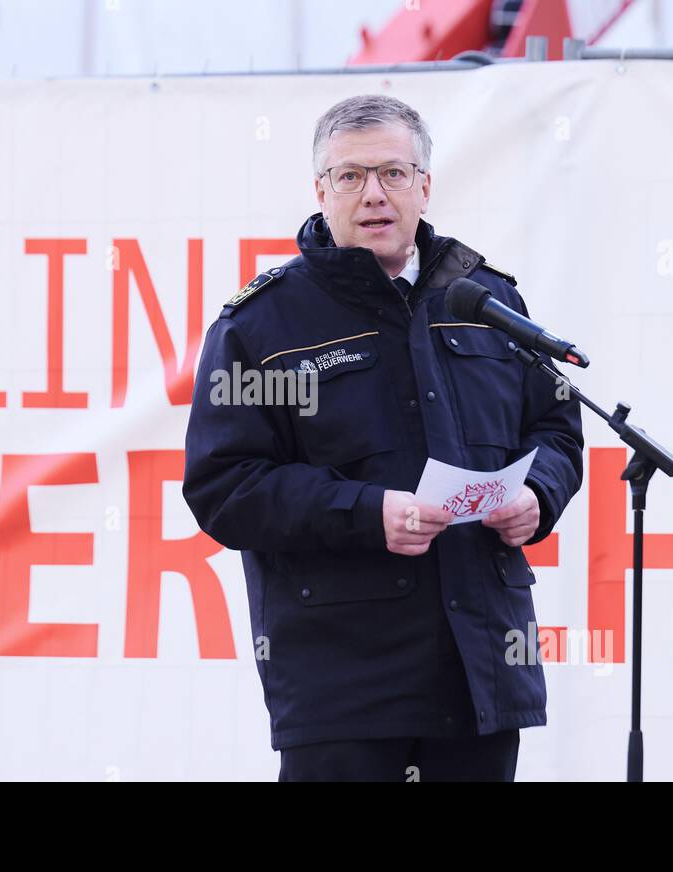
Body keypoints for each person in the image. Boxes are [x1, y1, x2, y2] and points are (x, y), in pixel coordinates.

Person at [182, 94, 584, 781]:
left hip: (481, 672)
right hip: (346, 686)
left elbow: (556, 427)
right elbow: (225, 488)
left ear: (425, 187)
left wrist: (538, 497)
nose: (374, 194)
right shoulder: (264, 325)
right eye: (350, 176)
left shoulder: (485, 301)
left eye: (395, 174)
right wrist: (369, 513)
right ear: (321, 190)